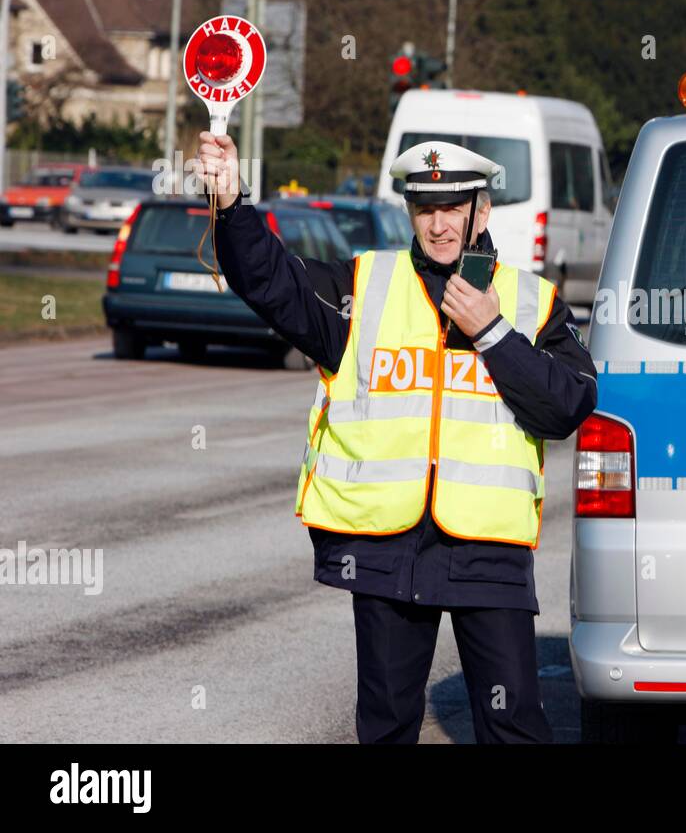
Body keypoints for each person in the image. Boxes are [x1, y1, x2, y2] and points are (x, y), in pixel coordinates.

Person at [199, 131, 597, 743]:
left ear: (481, 212)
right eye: (424, 209)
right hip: (387, 548)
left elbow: (568, 405)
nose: (437, 226)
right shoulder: (364, 286)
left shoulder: (529, 301)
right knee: (385, 726)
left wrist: (491, 332)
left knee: (513, 723)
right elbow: (272, 281)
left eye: (451, 209)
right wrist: (231, 204)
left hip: (487, 547)